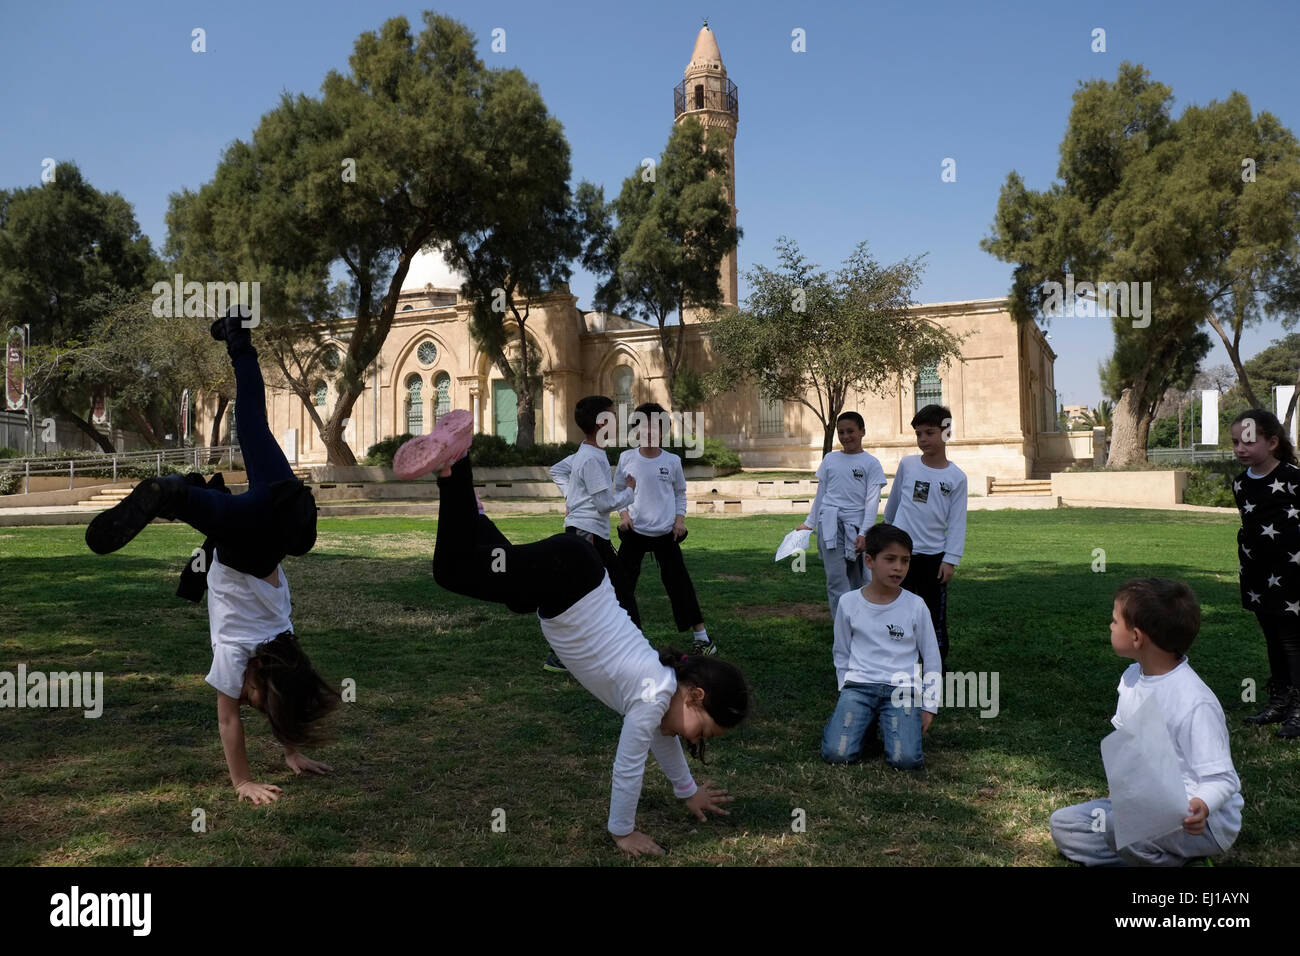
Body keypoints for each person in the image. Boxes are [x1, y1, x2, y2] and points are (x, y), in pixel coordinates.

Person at [395, 419, 748, 857]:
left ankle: (464, 490)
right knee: (452, 571)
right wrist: (623, 831)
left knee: (507, 582)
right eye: (704, 733)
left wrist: (687, 790)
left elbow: (665, 741)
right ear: (694, 696)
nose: (696, 741)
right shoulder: (652, 695)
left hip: (571, 575)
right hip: (569, 578)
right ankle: (457, 465)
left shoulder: (661, 691)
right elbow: (628, 766)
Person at [85, 306, 338, 804]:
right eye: (257, 699)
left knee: (252, 421)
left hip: (280, 515)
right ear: (260, 677)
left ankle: (237, 339)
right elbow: (228, 720)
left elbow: (283, 690)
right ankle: (173, 493)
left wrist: (291, 751)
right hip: (242, 539)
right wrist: (241, 780)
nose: (247, 702)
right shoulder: (235, 657)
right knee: (194, 504)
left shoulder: (283, 643)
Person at [1049, 578, 1244, 866]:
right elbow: (1130, 747)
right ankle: (1162, 859)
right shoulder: (1130, 679)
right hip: (1145, 807)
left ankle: (1157, 856)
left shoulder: (1193, 701)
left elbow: (1222, 779)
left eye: (1115, 621)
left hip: (1201, 822)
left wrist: (1201, 806)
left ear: (1137, 638)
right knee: (1065, 824)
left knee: (1118, 827)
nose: (1110, 626)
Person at [820, 523, 940, 769]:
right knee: (837, 754)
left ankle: (883, 722)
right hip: (859, 687)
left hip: (902, 690)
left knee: (905, 760)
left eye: (905, 560)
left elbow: (931, 657)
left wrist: (929, 705)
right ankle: (864, 722)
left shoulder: (916, 605)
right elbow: (841, 652)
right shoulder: (848, 602)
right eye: (890, 559)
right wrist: (845, 688)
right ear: (869, 561)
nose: (898, 567)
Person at [544, 395, 642, 672]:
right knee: (620, 592)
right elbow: (603, 503)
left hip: (584, 533)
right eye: (612, 416)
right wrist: (630, 491)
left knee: (587, 593)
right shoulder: (590, 458)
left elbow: (557, 470)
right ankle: (635, 653)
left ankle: (562, 655)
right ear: (601, 423)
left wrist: (572, 498)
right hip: (589, 536)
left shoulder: (586, 454)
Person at [614, 402, 712, 655]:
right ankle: (615, 636)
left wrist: (680, 521)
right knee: (620, 585)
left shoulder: (672, 461)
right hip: (634, 532)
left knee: (679, 584)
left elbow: (680, 493)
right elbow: (619, 491)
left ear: (663, 431)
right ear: (636, 430)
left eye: (655, 428)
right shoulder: (626, 458)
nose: (648, 433)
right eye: (643, 427)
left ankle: (702, 638)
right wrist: (623, 515)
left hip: (666, 534)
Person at [1230, 408, 1300, 738]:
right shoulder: (1240, 483)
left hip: (1291, 573)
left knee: (1291, 638)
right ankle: (1280, 699)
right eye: (1234, 443)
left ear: (1272, 442)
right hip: (1258, 574)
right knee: (1271, 636)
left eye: (1247, 441)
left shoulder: (1293, 477)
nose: (1240, 449)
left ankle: (1299, 705)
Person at [882, 404, 967, 670]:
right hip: (901, 556)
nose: (923, 440)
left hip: (934, 559)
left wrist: (950, 559)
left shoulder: (956, 478)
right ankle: (898, 666)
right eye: (918, 434)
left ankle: (934, 669)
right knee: (897, 612)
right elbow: (893, 504)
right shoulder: (907, 464)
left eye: (929, 433)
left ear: (946, 433)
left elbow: (956, 522)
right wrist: (888, 537)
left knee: (933, 618)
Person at [795, 411, 887, 619]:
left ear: (862, 431)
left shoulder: (871, 464)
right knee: (836, 580)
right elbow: (821, 494)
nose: (846, 437)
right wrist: (810, 523)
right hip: (829, 525)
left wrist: (864, 533)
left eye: (851, 431)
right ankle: (843, 627)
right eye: (841, 432)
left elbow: (872, 502)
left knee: (859, 579)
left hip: (856, 530)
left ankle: (863, 622)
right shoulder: (830, 459)